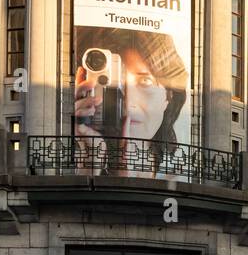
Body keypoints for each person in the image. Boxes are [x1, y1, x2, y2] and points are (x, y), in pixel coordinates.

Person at [73, 28, 190, 177]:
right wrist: (90, 159)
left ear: (169, 96)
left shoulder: (179, 172)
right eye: (115, 84)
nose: (128, 104)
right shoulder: (72, 156)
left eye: (145, 81)